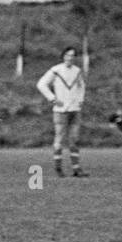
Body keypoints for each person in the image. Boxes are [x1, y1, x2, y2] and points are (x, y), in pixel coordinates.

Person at [36, 46, 86, 177]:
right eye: (68, 55)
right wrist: (53, 98)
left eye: (73, 55)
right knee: (59, 139)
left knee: (74, 139)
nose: (70, 58)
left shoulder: (77, 71)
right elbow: (41, 84)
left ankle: (76, 169)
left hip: (75, 110)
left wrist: (80, 100)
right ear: (63, 56)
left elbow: (81, 86)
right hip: (60, 111)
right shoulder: (56, 70)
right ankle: (58, 168)